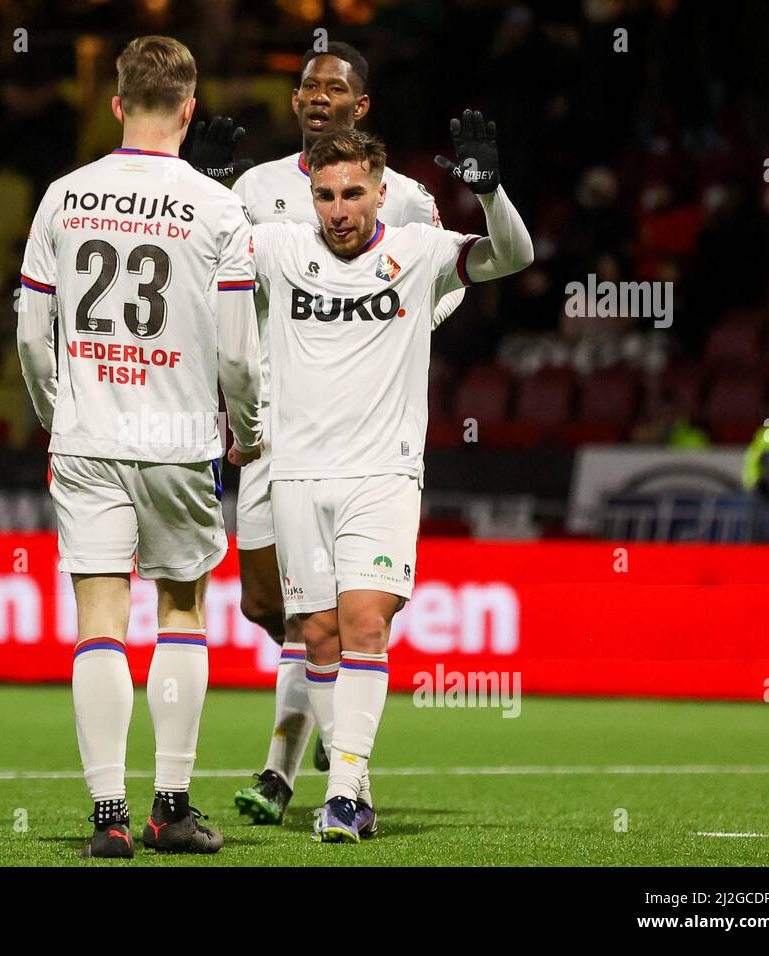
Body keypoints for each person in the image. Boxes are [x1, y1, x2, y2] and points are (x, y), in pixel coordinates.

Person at [249, 122, 532, 842]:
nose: (338, 210)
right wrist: (217, 188)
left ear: (381, 191)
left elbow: (515, 255)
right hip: (297, 475)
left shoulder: (418, 252)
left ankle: (342, 794)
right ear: (309, 195)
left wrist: (490, 193)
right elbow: (199, 264)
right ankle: (348, 778)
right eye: (324, 195)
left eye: (352, 194)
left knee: (364, 624)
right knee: (315, 637)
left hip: (382, 475)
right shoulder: (279, 250)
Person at [16, 36, 263, 859]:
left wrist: (60, 414)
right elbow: (235, 350)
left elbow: (29, 333)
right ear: (190, 110)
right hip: (178, 440)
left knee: (98, 621)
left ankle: (106, 820)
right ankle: (172, 810)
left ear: (115, 103)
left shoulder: (62, 195)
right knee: (182, 611)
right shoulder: (218, 208)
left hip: (89, 433)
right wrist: (249, 428)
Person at [222, 42, 465, 830]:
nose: (316, 97)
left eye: (335, 88)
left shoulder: (408, 200)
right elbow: (218, 281)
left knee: (327, 621)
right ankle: (337, 728)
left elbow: (439, 284)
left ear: (362, 107)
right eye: (306, 86)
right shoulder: (256, 188)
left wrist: (399, 328)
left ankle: (291, 772)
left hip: (357, 431)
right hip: (267, 427)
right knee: (269, 607)